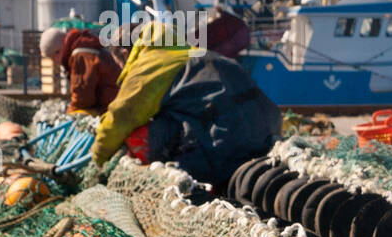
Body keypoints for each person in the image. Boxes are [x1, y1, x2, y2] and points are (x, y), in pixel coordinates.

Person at [91, 10, 280, 186]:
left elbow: (120, 118)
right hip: (266, 133)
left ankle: (191, 181)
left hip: (227, 145)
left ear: (125, 54)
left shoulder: (149, 67)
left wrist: (98, 161)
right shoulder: (188, 52)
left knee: (137, 134)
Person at [57, 28, 122, 116]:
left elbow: (83, 96)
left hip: (110, 109)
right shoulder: (89, 47)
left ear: (58, 51)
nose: (55, 63)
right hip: (115, 103)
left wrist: (70, 112)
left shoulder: (81, 55)